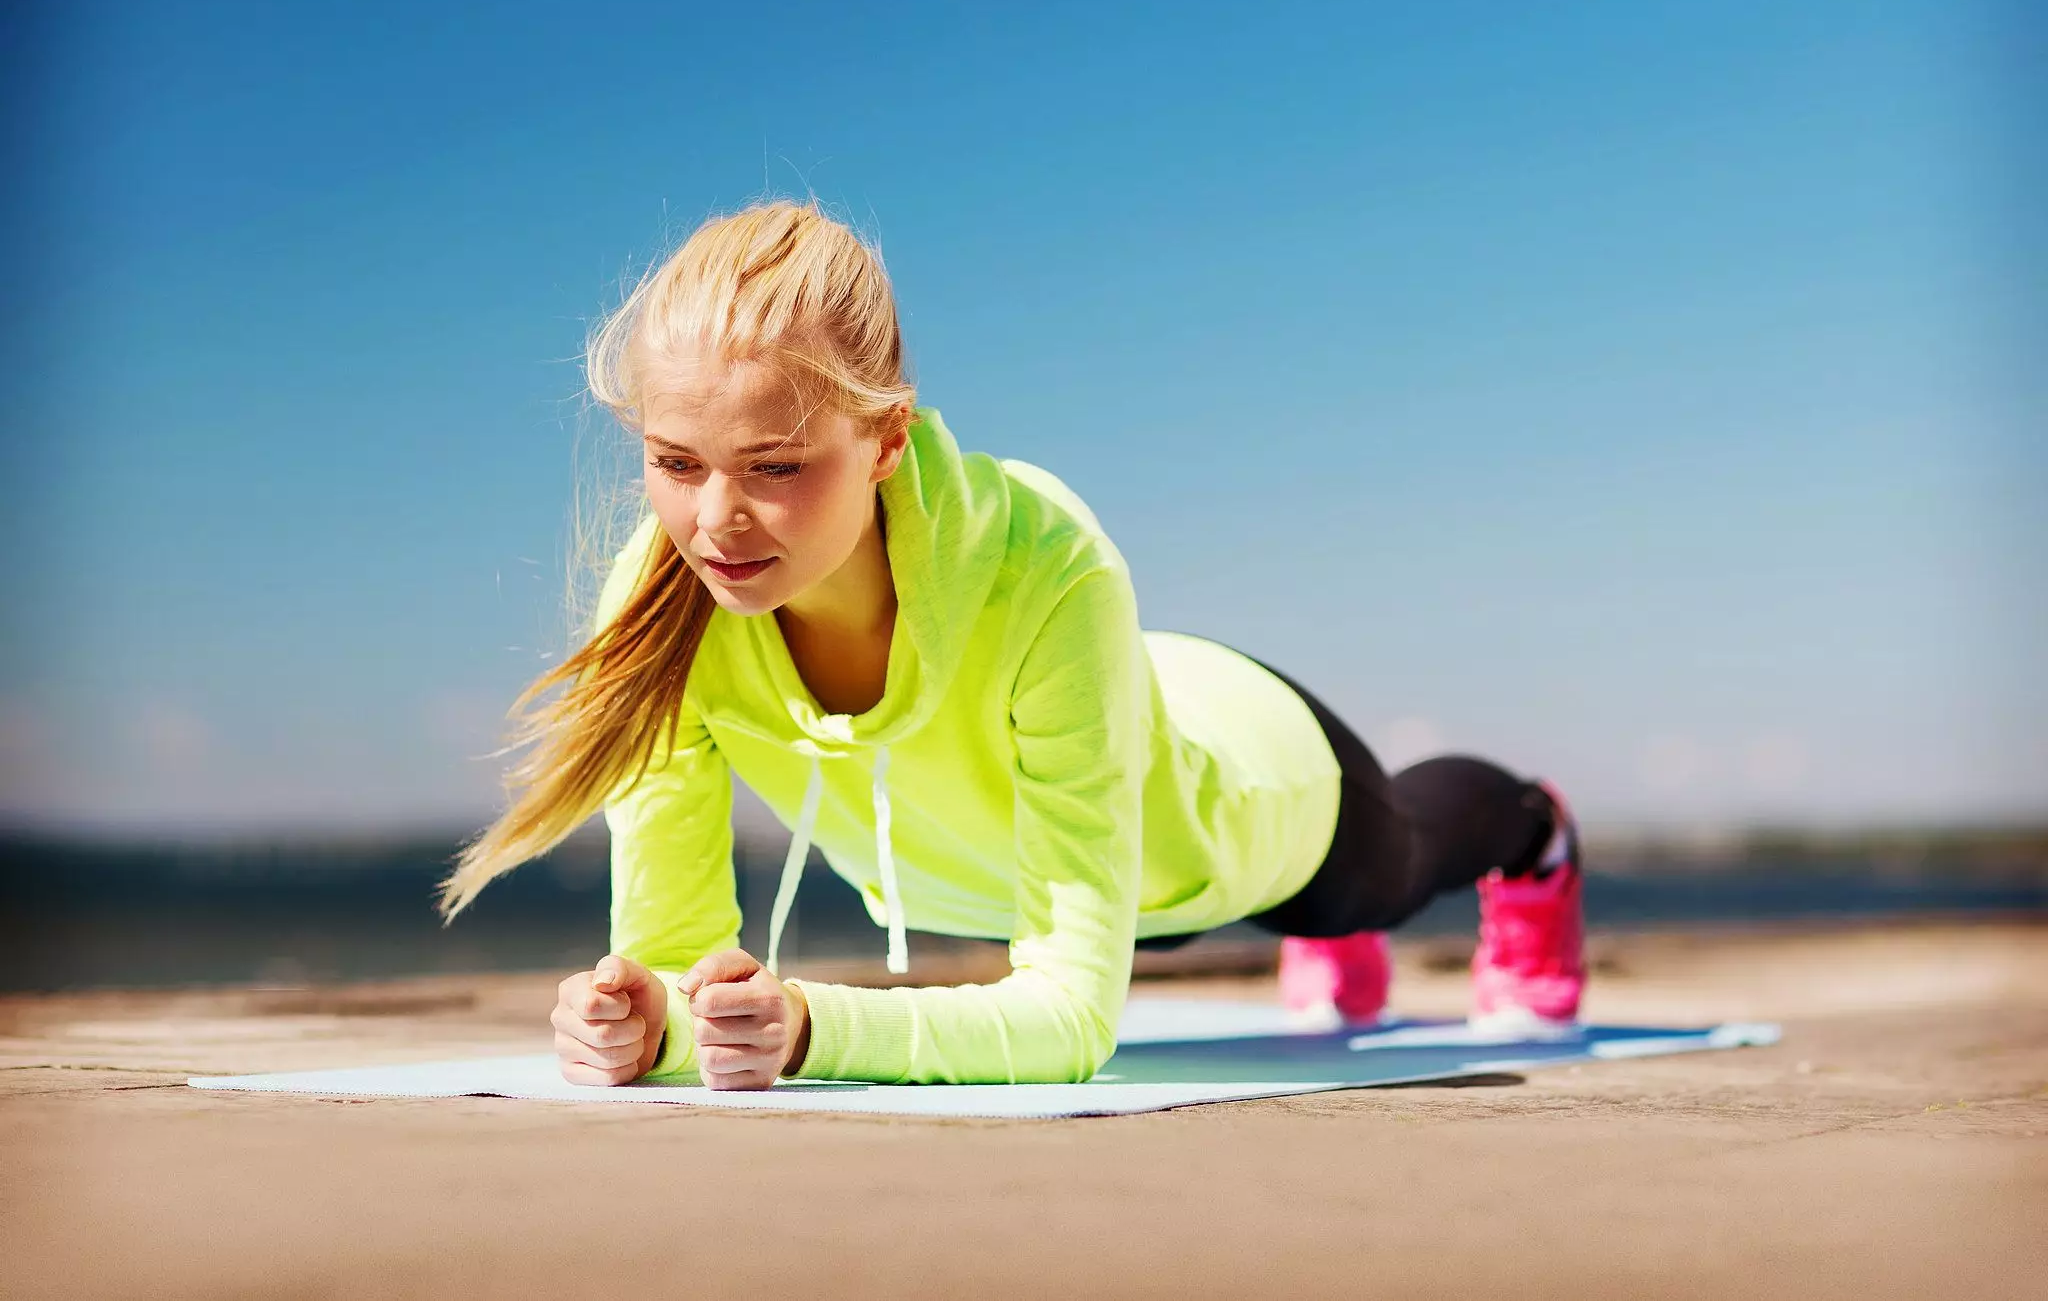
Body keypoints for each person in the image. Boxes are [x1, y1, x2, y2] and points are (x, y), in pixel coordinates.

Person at [435, 198, 1586, 1090]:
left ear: (887, 439)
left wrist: (807, 1029)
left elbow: (1073, 1023)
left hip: (1231, 795)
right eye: (676, 463)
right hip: (1024, 838)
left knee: (1374, 880)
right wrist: (647, 1021)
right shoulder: (661, 598)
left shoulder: (1048, 560)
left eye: (776, 466)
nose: (715, 520)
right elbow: (683, 968)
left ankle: (1533, 837)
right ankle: (1334, 961)